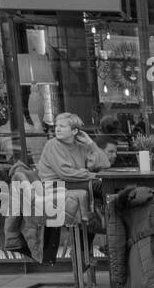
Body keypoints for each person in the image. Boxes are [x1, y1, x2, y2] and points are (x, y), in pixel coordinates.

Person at [37, 112, 110, 264]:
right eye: (57, 126)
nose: (57, 129)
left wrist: (91, 143)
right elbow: (66, 173)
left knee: (98, 197)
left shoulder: (80, 146)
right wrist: (92, 176)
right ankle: (109, 233)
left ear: (74, 131)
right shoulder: (53, 145)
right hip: (55, 186)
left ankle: (91, 244)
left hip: (74, 184)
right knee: (100, 186)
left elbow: (104, 164)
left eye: (62, 126)